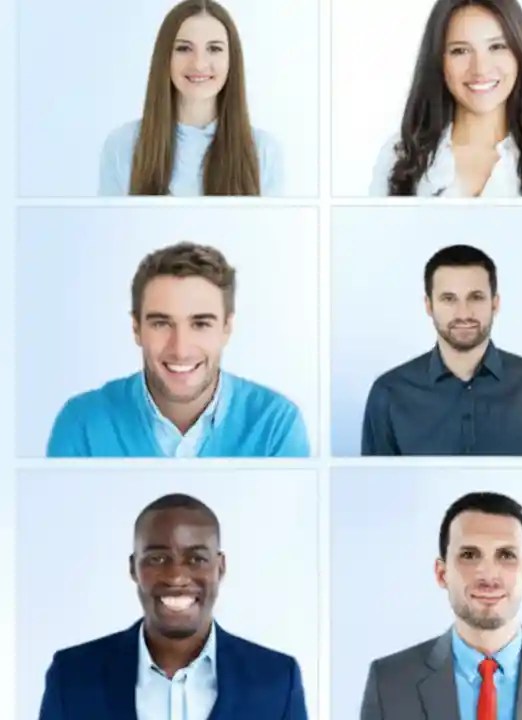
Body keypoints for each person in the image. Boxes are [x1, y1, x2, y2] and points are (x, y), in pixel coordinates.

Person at [38, 494, 308, 719]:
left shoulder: (277, 680)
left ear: (220, 567)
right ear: (134, 567)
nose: (176, 576)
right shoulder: (72, 676)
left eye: (196, 559)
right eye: (157, 558)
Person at [360, 491, 522, 720]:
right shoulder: (388, 683)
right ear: (441, 573)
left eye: (506, 555)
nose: (489, 575)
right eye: (469, 555)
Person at [46, 242, 310, 457]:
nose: (181, 349)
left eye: (200, 323)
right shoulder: (81, 423)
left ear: (227, 327)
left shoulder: (276, 424)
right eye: (161, 323)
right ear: (136, 328)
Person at [362, 244, 522, 456]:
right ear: (429, 305)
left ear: (495, 303)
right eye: (449, 299)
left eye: (476, 297)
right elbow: (376, 488)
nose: (463, 313)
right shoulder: (389, 393)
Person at [370, 0, 522, 197]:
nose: (480, 69)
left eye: (497, 47)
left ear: (520, 54)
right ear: (439, 61)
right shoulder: (398, 157)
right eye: (460, 51)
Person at [99, 0, 282, 196]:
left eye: (214, 49)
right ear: (165, 57)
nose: (199, 64)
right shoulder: (123, 146)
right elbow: (112, 226)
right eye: (184, 48)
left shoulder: (264, 152)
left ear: (231, 60)